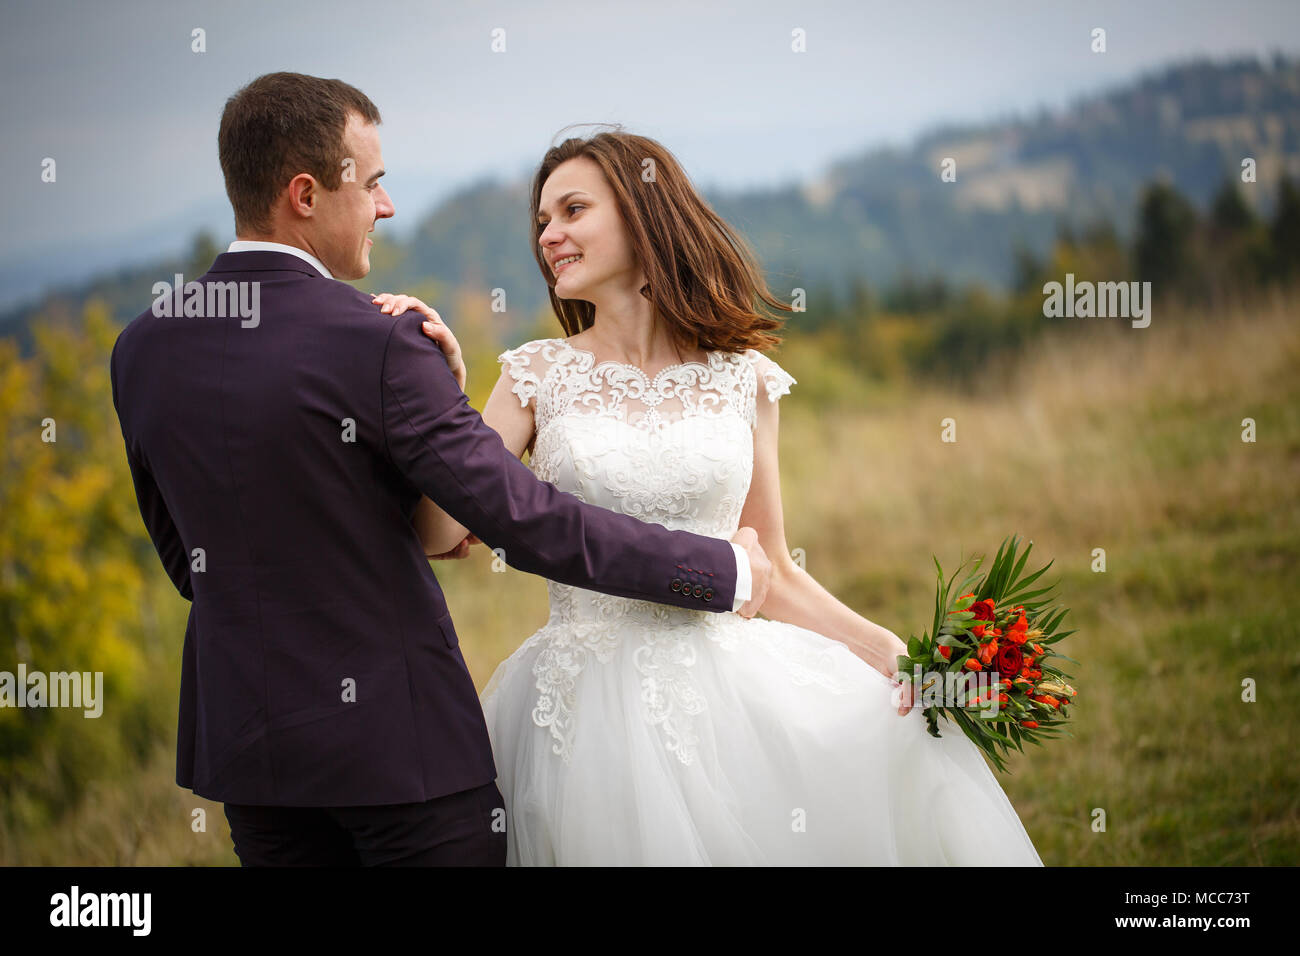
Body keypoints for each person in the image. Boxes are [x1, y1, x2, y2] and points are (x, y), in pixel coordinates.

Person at [109, 73, 772, 867]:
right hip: (401, 756)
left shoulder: (142, 349)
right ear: (306, 195)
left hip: (252, 759)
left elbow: (191, 566)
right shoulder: (379, 340)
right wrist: (718, 570)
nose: (386, 206)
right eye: (375, 183)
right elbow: (526, 520)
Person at [394, 129, 1044, 865]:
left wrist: (894, 655)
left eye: (572, 210)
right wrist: (445, 401)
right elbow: (436, 530)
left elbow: (773, 574)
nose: (550, 235)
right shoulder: (534, 375)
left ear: (641, 214)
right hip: (582, 714)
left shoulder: (744, 378)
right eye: (542, 221)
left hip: (730, 695)